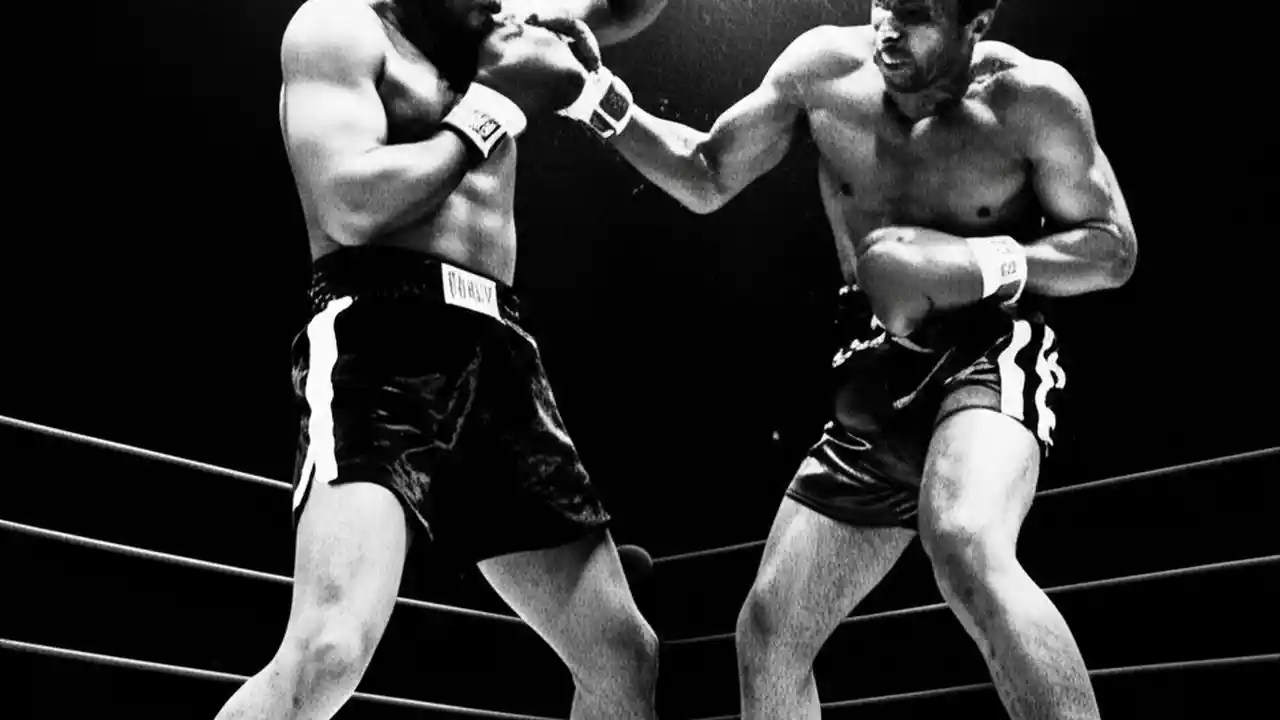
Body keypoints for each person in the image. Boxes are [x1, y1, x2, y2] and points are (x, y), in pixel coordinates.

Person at [530, 0, 1136, 717]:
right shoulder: (823, 68)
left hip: (988, 346)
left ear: (977, 21)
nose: (888, 27)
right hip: (873, 365)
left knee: (965, 540)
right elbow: (706, 173)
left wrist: (973, 263)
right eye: (882, 5)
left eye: (915, 15)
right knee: (769, 632)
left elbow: (1110, 248)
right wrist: (596, 97)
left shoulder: (1031, 99)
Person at [213, 1, 666, 718]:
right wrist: (492, 109)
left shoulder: (501, 17)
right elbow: (348, 206)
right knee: (328, 650)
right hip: (381, 339)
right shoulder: (339, 28)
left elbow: (623, 6)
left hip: (500, 348)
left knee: (623, 656)